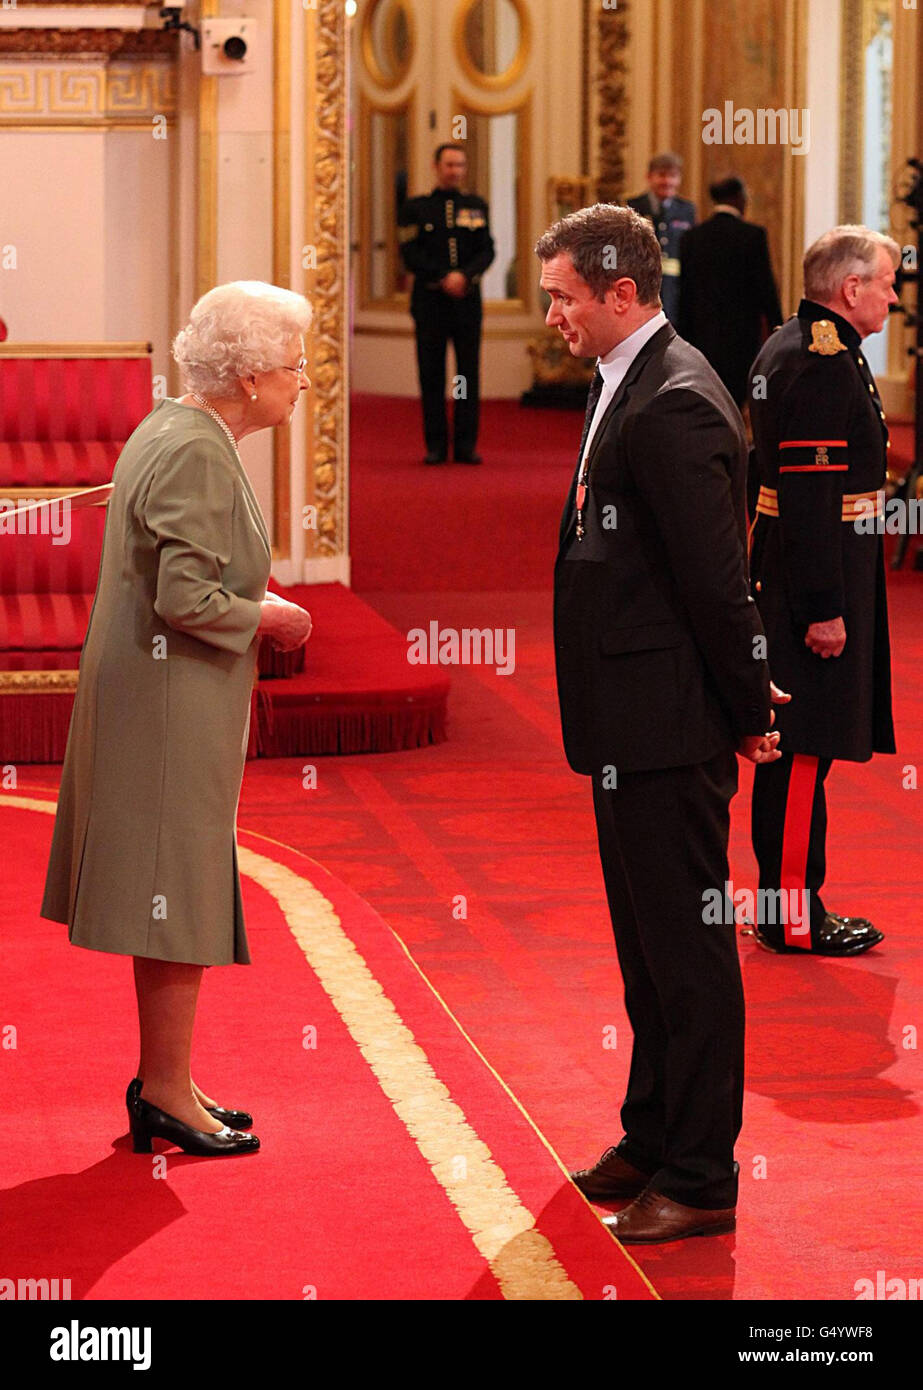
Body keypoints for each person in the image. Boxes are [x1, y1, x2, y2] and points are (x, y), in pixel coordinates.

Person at [536, 203, 787, 1244]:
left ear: (621, 294)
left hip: (667, 728)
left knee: (686, 956)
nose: (549, 315)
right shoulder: (624, 381)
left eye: (560, 298)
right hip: (623, 726)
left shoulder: (674, 400)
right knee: (645, 949)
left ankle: (699, 1173)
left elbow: (715, 582)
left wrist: (747, 705)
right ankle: (648, 1133)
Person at [40, 281, 314, 1156]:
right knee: (176, 889)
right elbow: (184, 594)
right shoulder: (196, 447)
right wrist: (270, 614)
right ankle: (163, 1092)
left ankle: (170, 1079)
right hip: (168, 702)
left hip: (161, 689)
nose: (302, 381)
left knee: (177, 887)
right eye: (292, 365)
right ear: (244, 379)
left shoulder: (177, 425)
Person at [746, 226, 899, 955]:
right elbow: (808, 498)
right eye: (886, 283)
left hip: (807, 568)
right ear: (849, 290)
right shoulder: (821, 363)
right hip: (816, 579)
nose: (894, 297)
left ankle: (787, 904)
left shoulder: (798, 343)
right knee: (804, 752)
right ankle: (791, 916)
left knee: (804, 752)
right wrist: (823, 610)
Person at [398, 144, 495, 464]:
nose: (455, 171)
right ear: (436, 166)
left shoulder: (476, 206)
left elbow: (487, 250)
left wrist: (464, 277)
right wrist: (443, 277)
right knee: (432, 373)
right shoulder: (416, 208)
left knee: (467, 374)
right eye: (449, 164)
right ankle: (436, 445)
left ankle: (466, 444)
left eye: (460, 165)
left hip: (466, 302)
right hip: (430, 302)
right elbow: (409, 252)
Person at [678, 174, 783, 406]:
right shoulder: (753, 235)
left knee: (707, 396)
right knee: (736, 397)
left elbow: (684, 293)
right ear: (739, 198)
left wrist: (682, 337)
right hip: (741, 336)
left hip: (701, 335)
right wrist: (779, 328)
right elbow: (766, 288)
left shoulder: (691, 237)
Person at [626, 152, 695, 326]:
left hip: (676, 288)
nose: (667, 182)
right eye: (662, 175)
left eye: (673, 176)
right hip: (642, 283)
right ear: (649, 177)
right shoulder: (634, 206)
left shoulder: (687, 210)